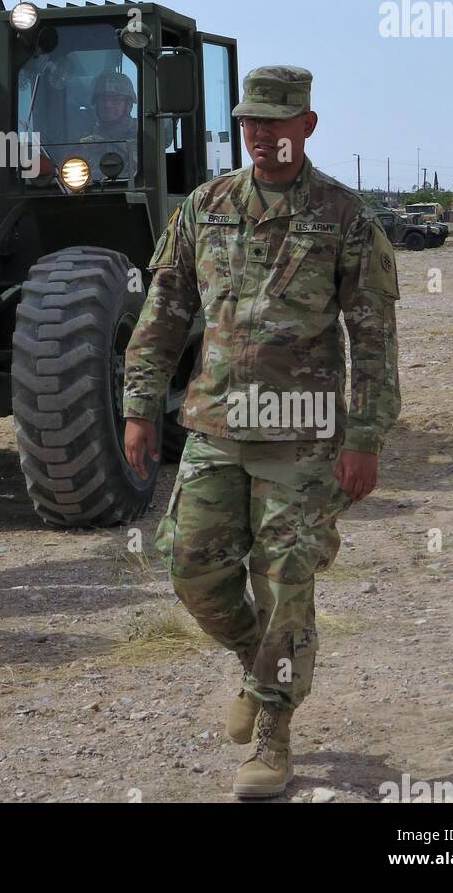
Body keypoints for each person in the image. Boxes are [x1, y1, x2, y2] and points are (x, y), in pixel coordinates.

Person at [121, 65, 401, 799]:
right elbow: (165, 312)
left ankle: (274, 727)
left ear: (308, 125)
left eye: (276, 122)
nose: (261, 134)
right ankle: (258, 664)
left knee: (284, 585)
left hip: (303, 437)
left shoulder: (346, 218)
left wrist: (365, 435)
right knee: (190, 566)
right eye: (251, 121)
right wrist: (139, 405)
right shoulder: (205, 207)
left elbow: (372, 338)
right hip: (216, 425)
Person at [80, 71, 138, 143]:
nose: (108, 105)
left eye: (115, 99)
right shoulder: (86, 134)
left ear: (128, 104)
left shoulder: (143, 129)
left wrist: (106, 145)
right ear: (96, 104)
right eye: (103, 99)